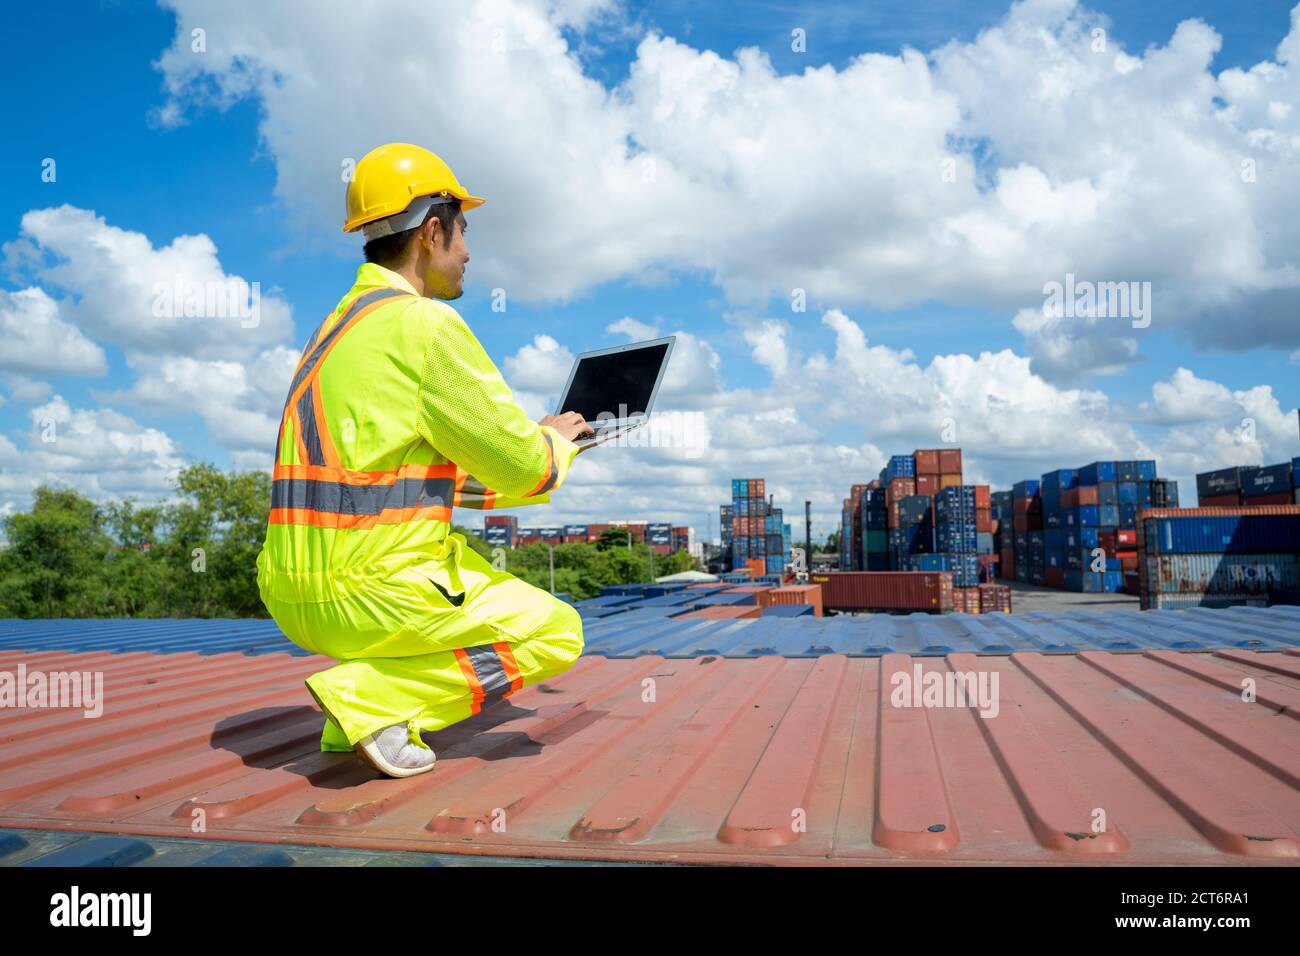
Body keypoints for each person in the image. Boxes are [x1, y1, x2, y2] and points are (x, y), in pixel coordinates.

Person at [256, 143, 593, 778]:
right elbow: (525, 467)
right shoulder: (424, 326)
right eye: (464, 231)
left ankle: (355, 717)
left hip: (292, 593)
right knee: (556, 631)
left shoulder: (335, 326)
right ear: (432, 231)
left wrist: (533, 464)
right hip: (375, 593)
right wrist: (556, 442)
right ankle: (368, 698)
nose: (468, 251)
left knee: (459, 584)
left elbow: (415, 479)